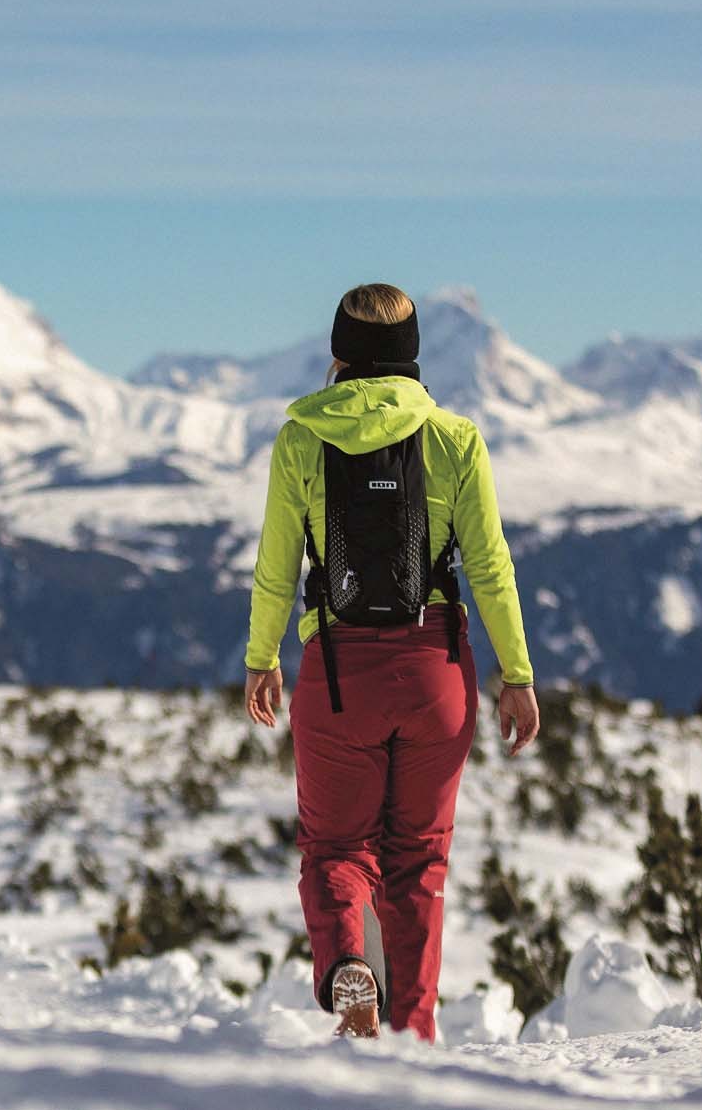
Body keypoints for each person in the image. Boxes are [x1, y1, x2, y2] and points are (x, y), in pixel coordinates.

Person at [241, 282, 541, 1041]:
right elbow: (491, 567)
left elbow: (277, 566)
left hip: (340, 675)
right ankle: (412, 1032)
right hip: (438, 673)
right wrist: (517, 674)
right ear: (412, 359)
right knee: (418, 863)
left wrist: (261, 658)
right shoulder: (455, 439)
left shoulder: (302, 438)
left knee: (338, 849)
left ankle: (350, 966)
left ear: (339, 355)